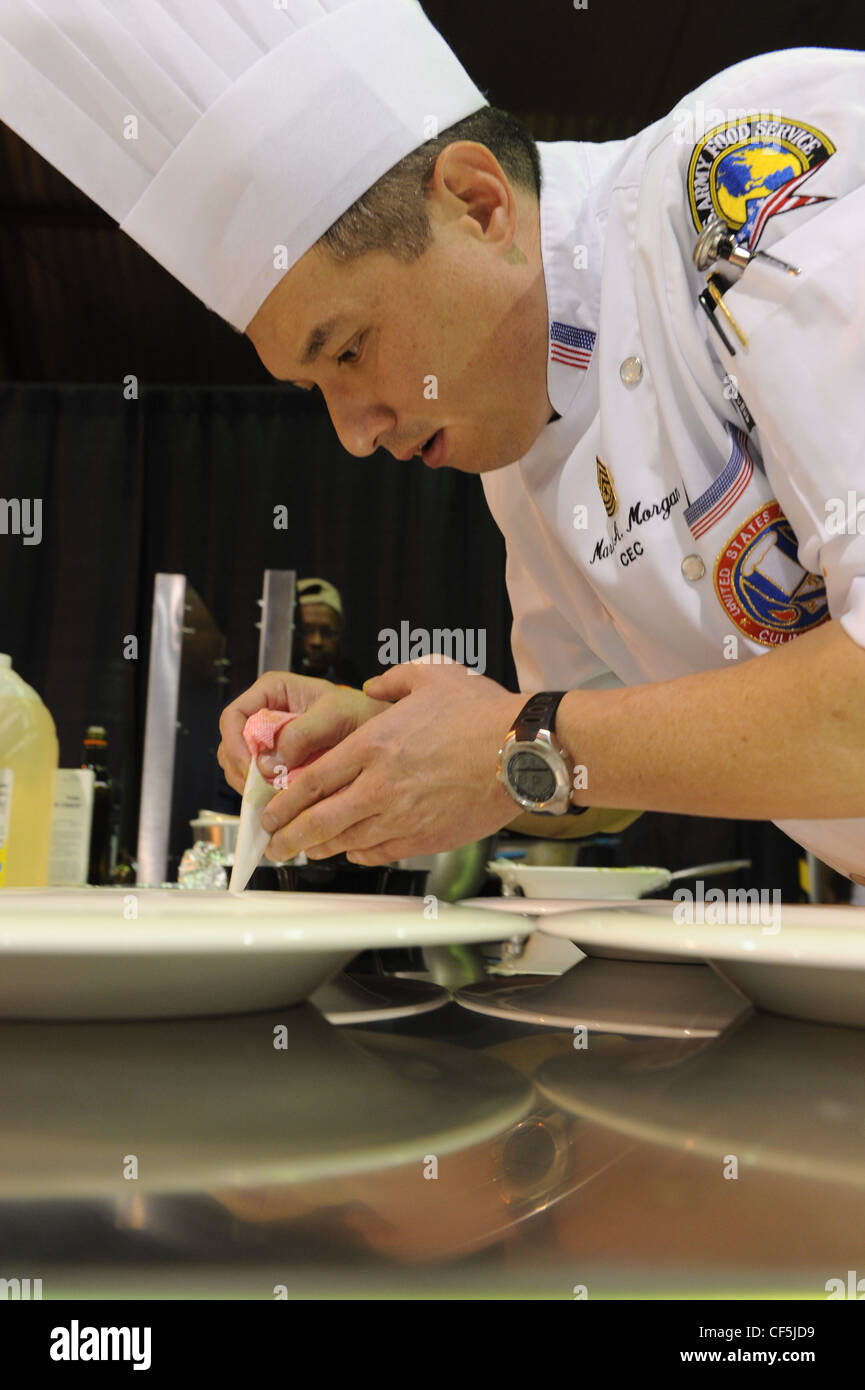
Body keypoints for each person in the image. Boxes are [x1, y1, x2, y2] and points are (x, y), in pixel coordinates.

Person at [2, 6, 863, 880]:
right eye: (317, 390)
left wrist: (509, 741)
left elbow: (564, 740)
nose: (353, 435)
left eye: (349, 349)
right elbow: (607, 770)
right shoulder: (511, 439)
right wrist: (397, 751)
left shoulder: (749, 169)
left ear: (476, 203)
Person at [294, 578, 361, 687]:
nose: (316, 641)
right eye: (307, 631)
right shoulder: (269, 687)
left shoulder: (350, 693)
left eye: (328, 633)